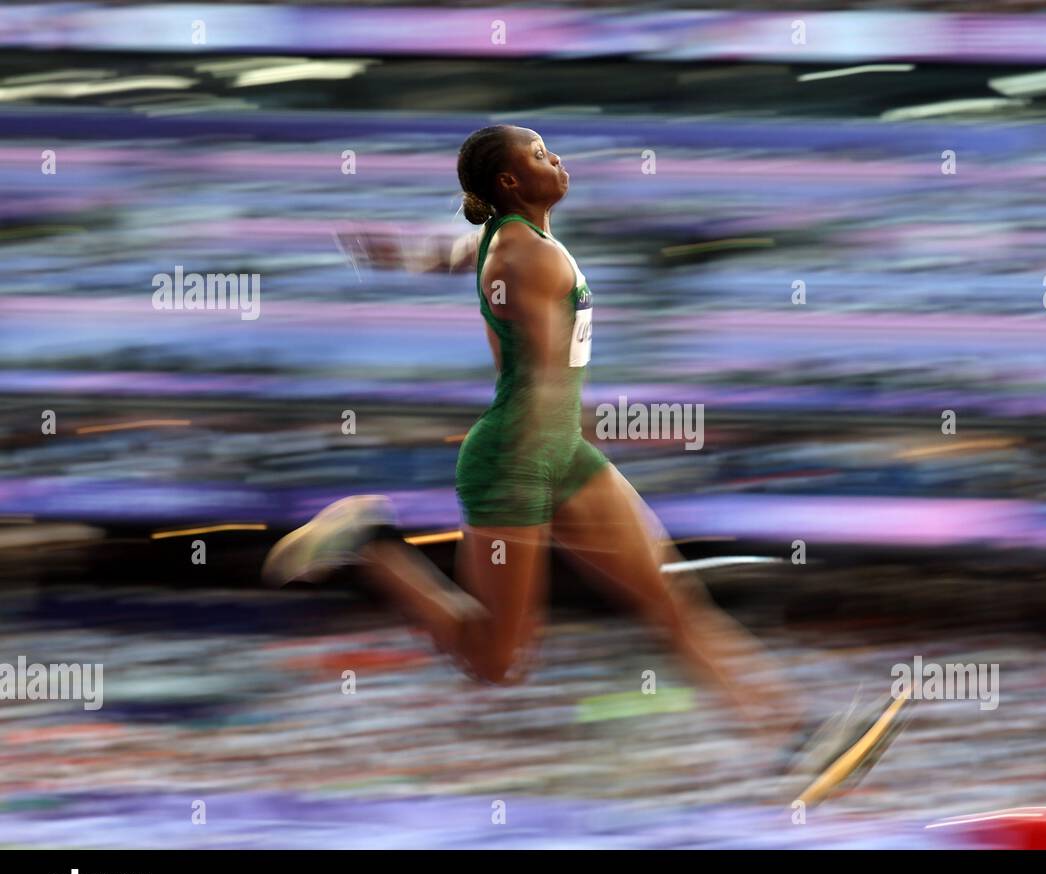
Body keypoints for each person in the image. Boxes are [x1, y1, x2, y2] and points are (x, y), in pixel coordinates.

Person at [263, 125, 805, 745]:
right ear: (511, 181)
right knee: (497, 661)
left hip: (561, 452)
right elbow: (547, 377)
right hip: (516, 459)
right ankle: (371, 543)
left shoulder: (513, 238)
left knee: (671, 599)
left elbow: (457, 252)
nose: (559, 160)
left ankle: (790, 731)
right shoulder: (527, 256)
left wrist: (402, 255)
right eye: (542, 155)